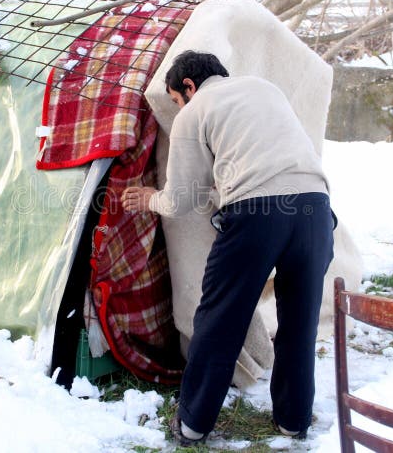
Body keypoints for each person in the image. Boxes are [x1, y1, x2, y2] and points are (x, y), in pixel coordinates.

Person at [121, 51, 335, 445]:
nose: (176, 108)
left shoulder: (194, 111)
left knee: (220, 321)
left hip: (257, 216)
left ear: (189, 86)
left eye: (175, 99)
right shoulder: (265, 89)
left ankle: (192, 424)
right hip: (316, 210)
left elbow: (182, 199)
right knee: (299, 324)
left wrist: (150, 197)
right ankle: (293, 421)